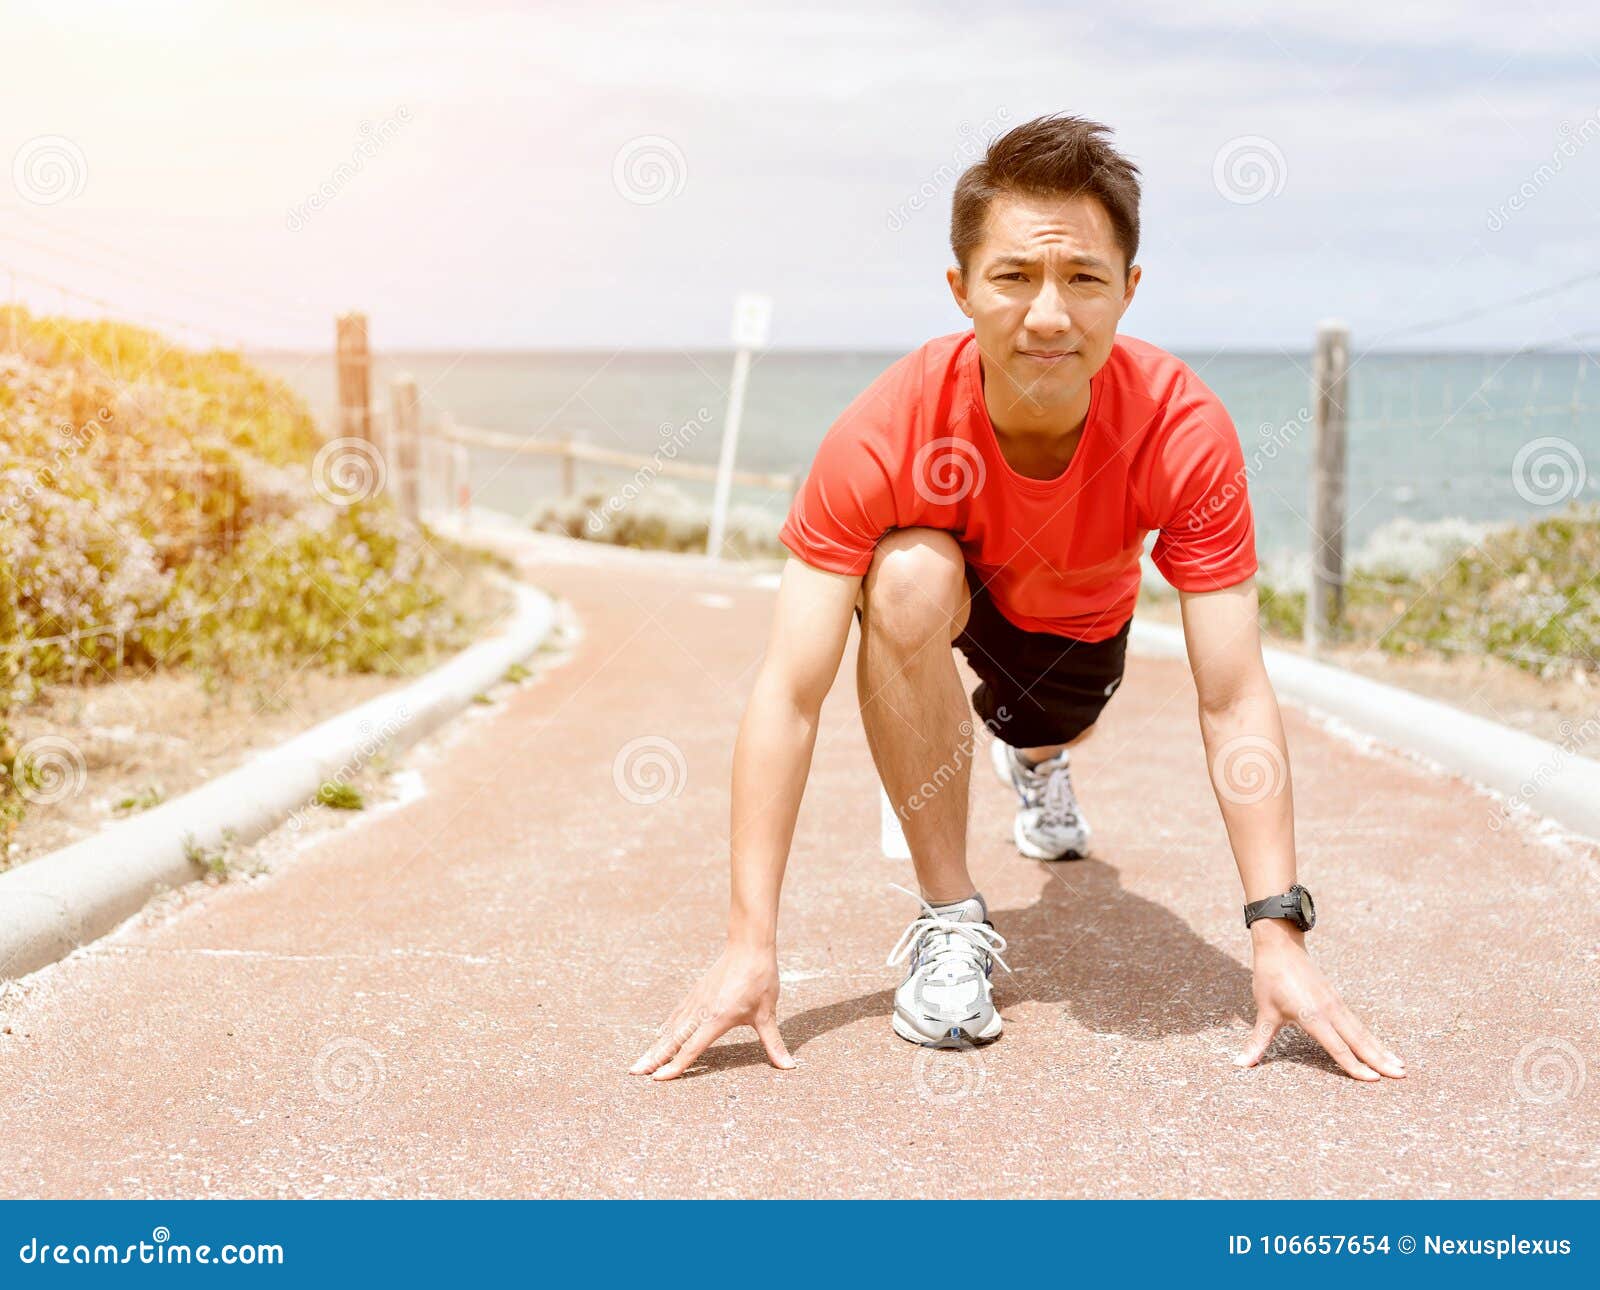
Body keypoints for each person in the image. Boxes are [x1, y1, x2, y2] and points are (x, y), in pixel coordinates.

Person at [630, 113, 1406, 1083]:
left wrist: (1277, 931)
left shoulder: (1181, 428)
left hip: (1073, 635)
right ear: (960, 290)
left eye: (1082, 278)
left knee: (1037, 729)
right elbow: (789, 691)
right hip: (951, 597)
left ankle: (1035, 766)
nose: (1048, 314)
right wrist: (750, 941)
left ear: (1128, 289)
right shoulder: (882, 430)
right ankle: (950, 914)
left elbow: (1232, 693)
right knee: (907, 574)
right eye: (1013, 278)